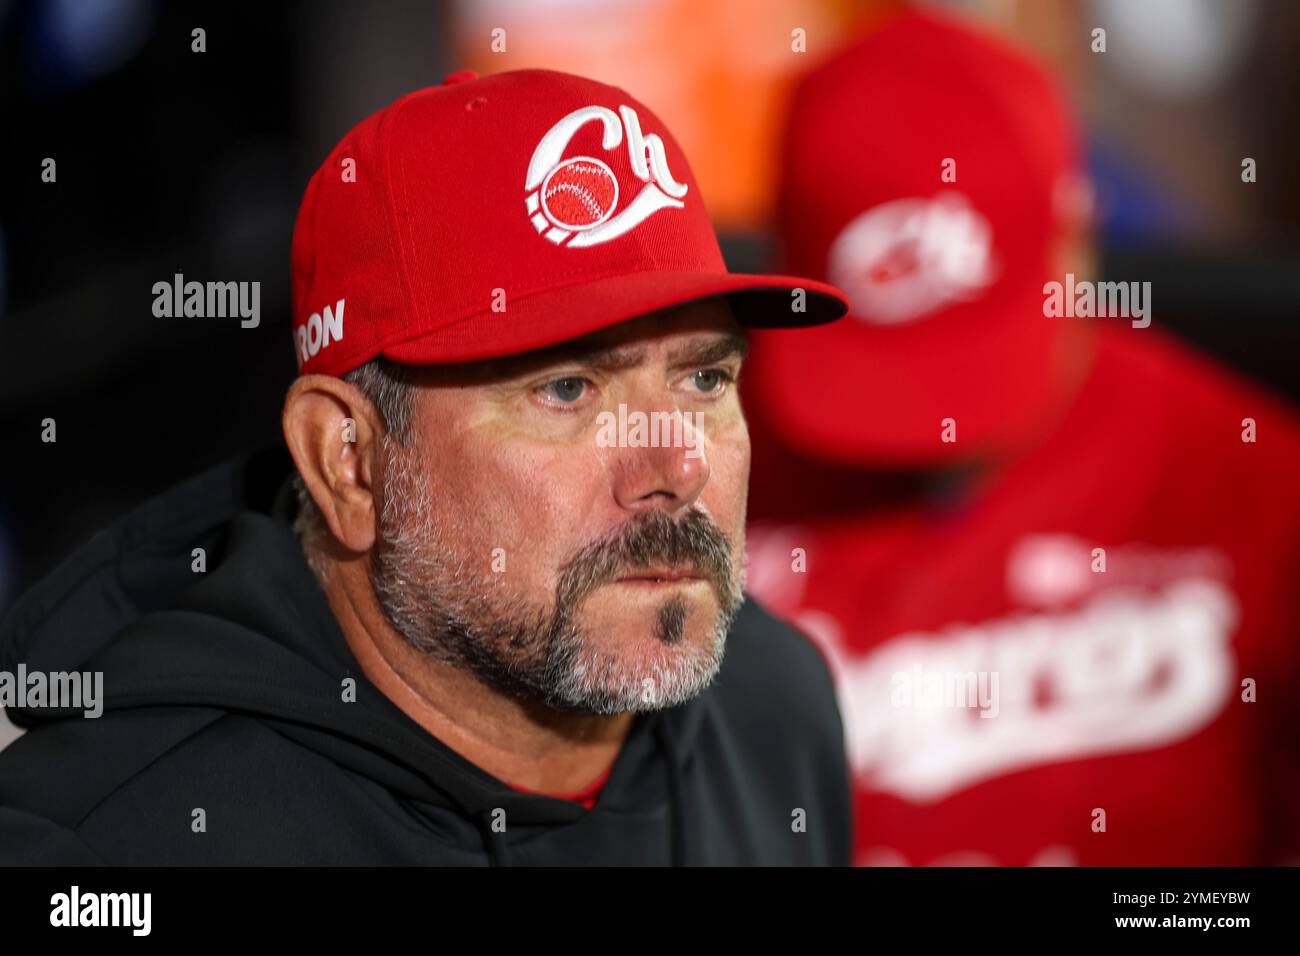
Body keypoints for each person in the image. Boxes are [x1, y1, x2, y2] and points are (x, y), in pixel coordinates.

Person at [0, 68, 853, 865]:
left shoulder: (773, 702)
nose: (678, 465)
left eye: (704, 378)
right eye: (566, 390)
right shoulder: (112, 841)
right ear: (349, 464)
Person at [743, 9, 1300, 866]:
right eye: (883, 363)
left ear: (1075, 243)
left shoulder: (1251, 477)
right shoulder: (684, 468)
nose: (932, 430)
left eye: (965, 356)